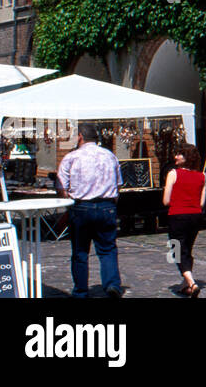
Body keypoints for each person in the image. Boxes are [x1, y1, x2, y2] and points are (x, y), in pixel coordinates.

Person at [57, 122, 124, 298]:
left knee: (80, 251)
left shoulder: (72, 157)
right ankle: (112, 284)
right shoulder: (110, 156)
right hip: (106, 205)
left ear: (80, 136)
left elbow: (62, 186)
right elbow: (118, 185)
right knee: (108, 248)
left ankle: (80, 290)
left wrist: (68, 202)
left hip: (81, 206)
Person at [163, 143, 206, 297]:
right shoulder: (202, 176)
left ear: (187, 157)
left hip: (177, 216)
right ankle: (185, 284)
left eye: (179, 154)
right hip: (195, 216)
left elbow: (166, 200)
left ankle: (192, 283)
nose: (176, 157)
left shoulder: (173, 173)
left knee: (176, 250)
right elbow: (201, 202)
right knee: (187, 249)